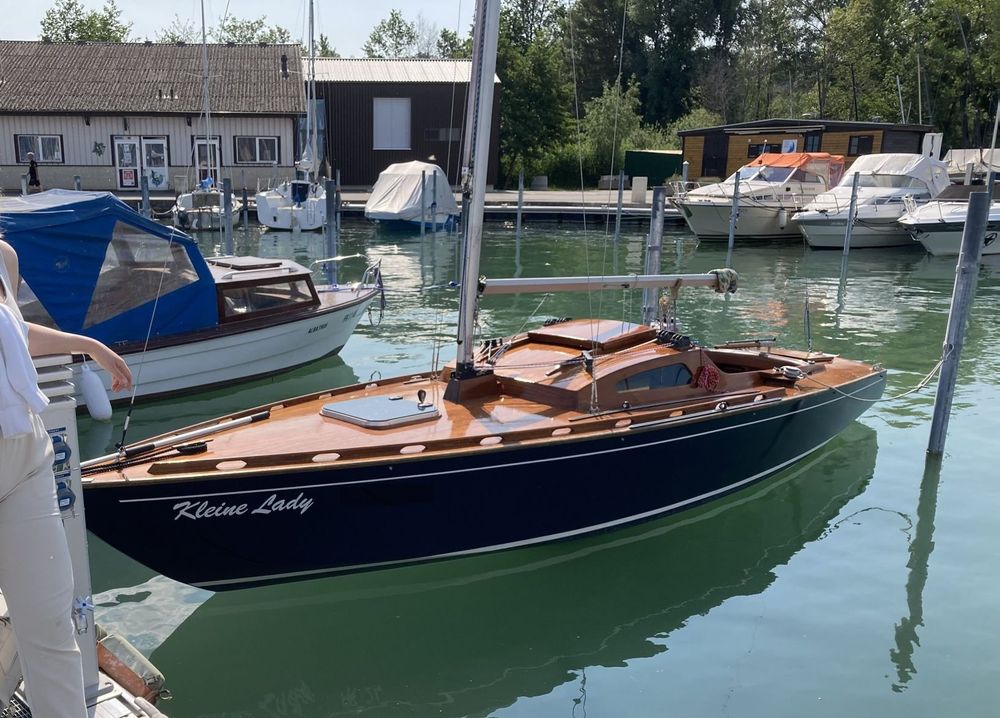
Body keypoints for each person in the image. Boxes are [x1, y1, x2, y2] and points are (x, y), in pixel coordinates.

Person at [0, 236, 131, 716]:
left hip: (24, 457)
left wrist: (88, 345)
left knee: (51, 626)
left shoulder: (4, 256)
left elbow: (13, 334)